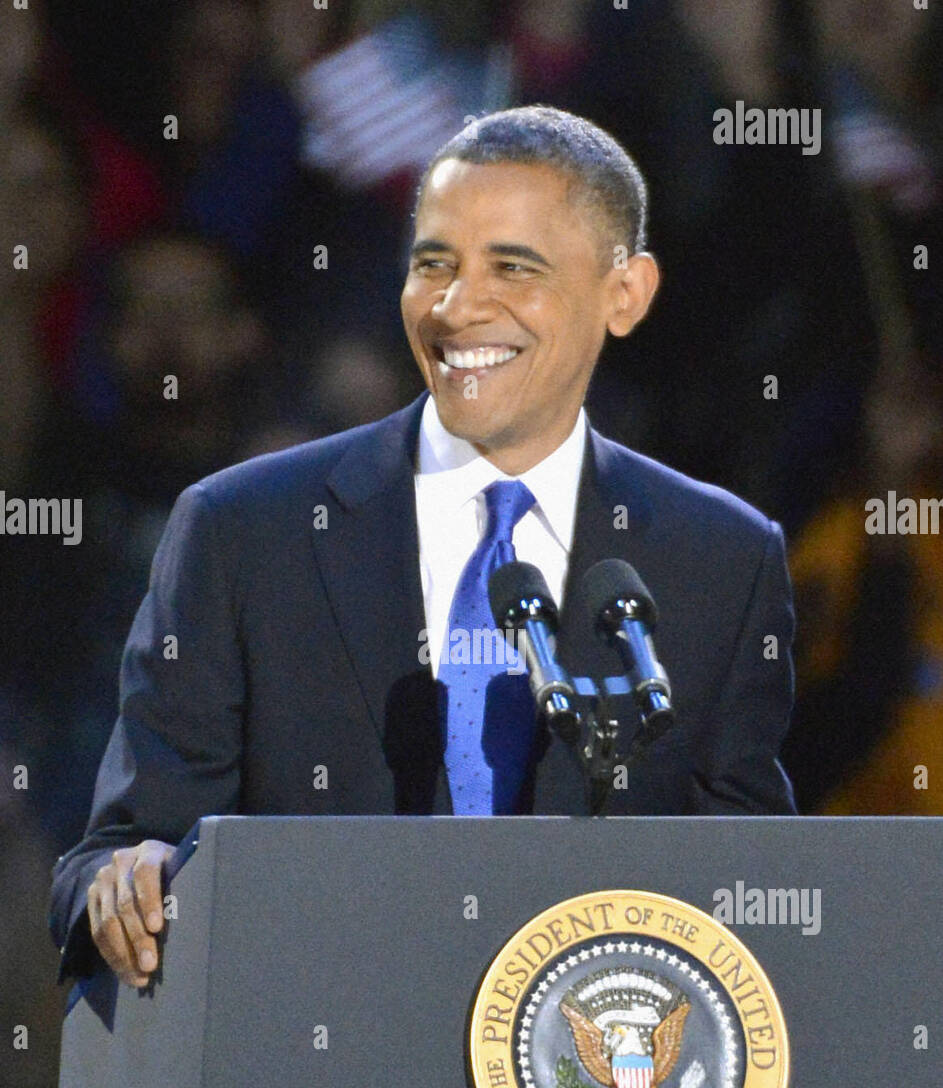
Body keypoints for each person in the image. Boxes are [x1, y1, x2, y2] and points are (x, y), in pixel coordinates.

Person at [49, 105, 797, 989]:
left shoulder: (722, 559)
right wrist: (125, 883)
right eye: (433, 263)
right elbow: (119, 856)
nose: (455, 305)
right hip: (317, 1067)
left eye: (511, 267)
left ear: (622, 294)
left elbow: (759, 897)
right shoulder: (244, 531)